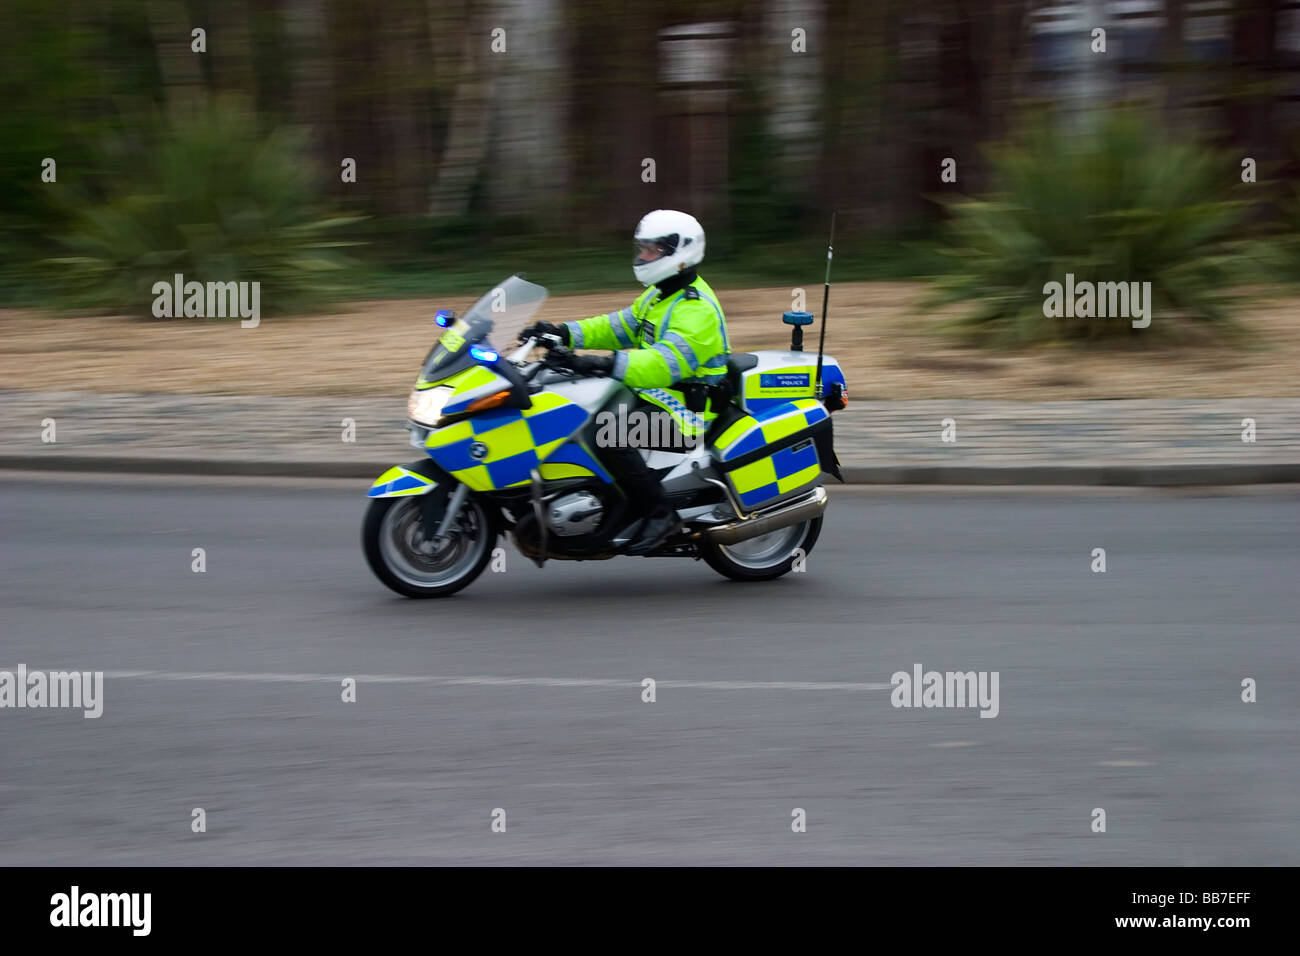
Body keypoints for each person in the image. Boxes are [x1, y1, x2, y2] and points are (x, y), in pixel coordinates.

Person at [521, 209, 730, 555]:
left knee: (609, 435)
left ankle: (660, 514)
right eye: (642, 248)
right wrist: (561, 332)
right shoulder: (661, 294)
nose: (643, 256)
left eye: (652, 250)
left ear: (679, 252)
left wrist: (596, 363)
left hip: (687, 411)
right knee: (572, 410)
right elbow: (618, 326)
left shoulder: (697, 310)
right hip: (653, 395)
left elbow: (661, 365)